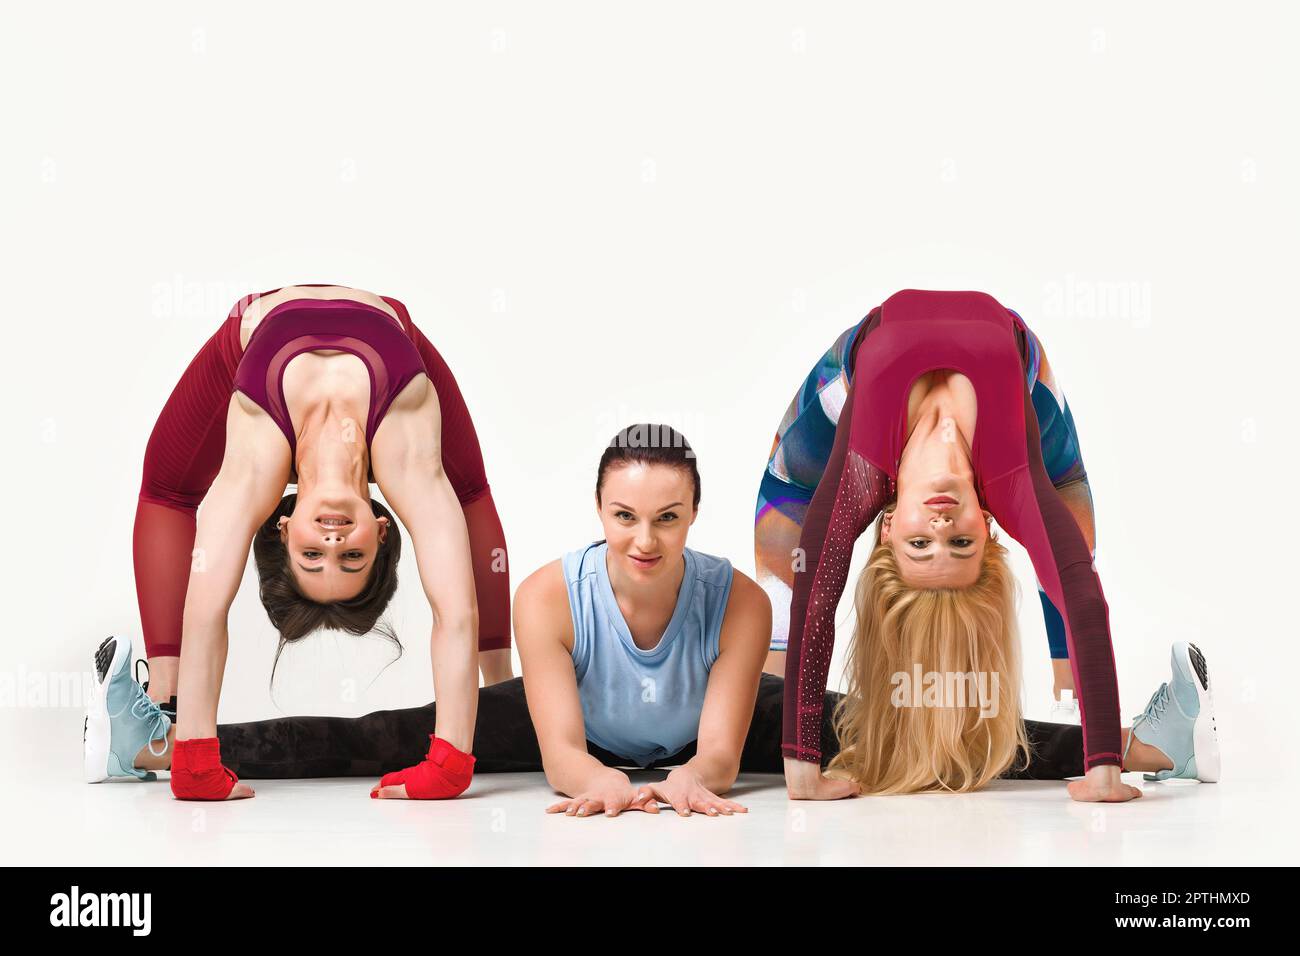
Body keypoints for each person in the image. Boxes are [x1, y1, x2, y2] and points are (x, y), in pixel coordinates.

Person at [87, 425, 1206, 808]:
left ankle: (1157, 739)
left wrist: (694, 779)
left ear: (693, 518)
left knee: (909, 718)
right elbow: (564, 746)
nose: (643, 538)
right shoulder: (545, 596)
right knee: (390, 734)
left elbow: (720, 745)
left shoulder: (738, 599)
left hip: (693, 728)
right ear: (598, 514)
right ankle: (147, 739)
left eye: (666, 518)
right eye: (624, 516)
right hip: (580, 720)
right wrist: (598, 784)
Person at [769, 289, 1218, 800]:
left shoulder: (859, 478)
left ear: (888, 526)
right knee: (1069, 504)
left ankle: (772, 670)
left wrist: (801, 761)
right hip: (1021, 359)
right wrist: (1103, 768)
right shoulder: (1012, 482)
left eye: (920, 543)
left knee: (787, 506)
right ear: (988, 524)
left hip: (855, 355)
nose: (941, 526)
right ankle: (1133, 736)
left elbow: (815, 595)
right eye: (960, 542)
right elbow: (1083, 598)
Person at [104, 284, 511, 799]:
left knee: (167, 487)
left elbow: (206, 608)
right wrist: (451, 763)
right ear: (383, 533)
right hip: (392, 328)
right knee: (469, 494)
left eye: (312, 555)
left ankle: (164, 711)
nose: (332, 539)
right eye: (353, 556)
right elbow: (456, 613)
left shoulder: (257, 455)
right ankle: (503, 696)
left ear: (284, 526)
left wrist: (197, 763)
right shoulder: (404, 447)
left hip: (252, 331)